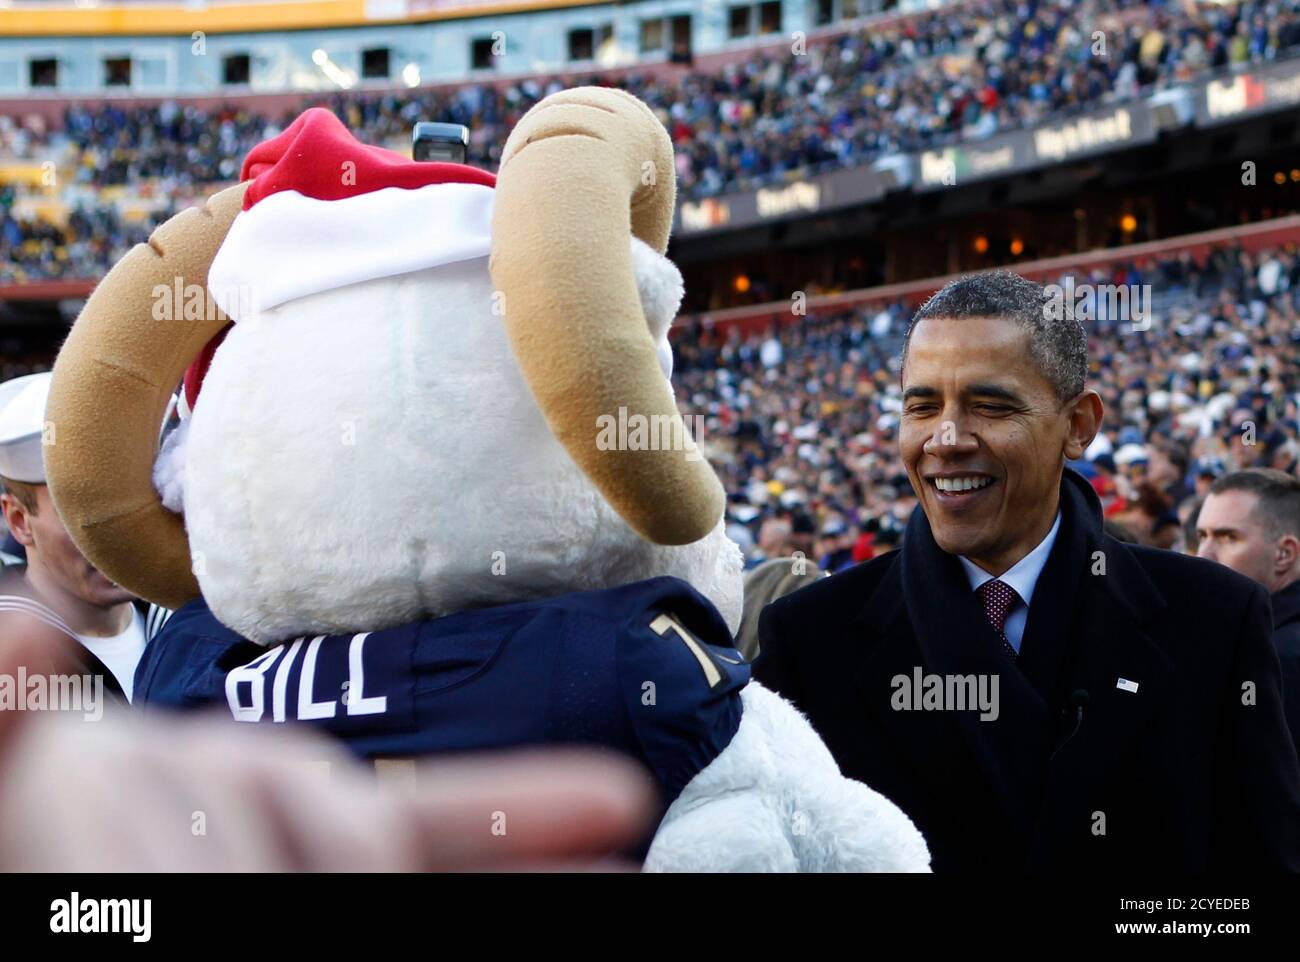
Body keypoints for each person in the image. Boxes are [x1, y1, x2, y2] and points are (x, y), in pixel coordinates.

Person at [756, 270, 1300, 872]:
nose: (947, 438)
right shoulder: (808, 641)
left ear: (1078, 425)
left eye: (990, 406)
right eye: (922, 405)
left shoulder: (1215, 620)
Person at [0, 373, 146, 701]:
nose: (114, 530)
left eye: (128, 497)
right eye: (80, 510)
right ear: (19, 520)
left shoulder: (186, 627)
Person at [1196, 468, 1300, 747]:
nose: (1203, 555)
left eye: (1228, 537)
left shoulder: (1278, 659)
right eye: (1201, 536)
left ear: (1284, 554)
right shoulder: (1256, 638)